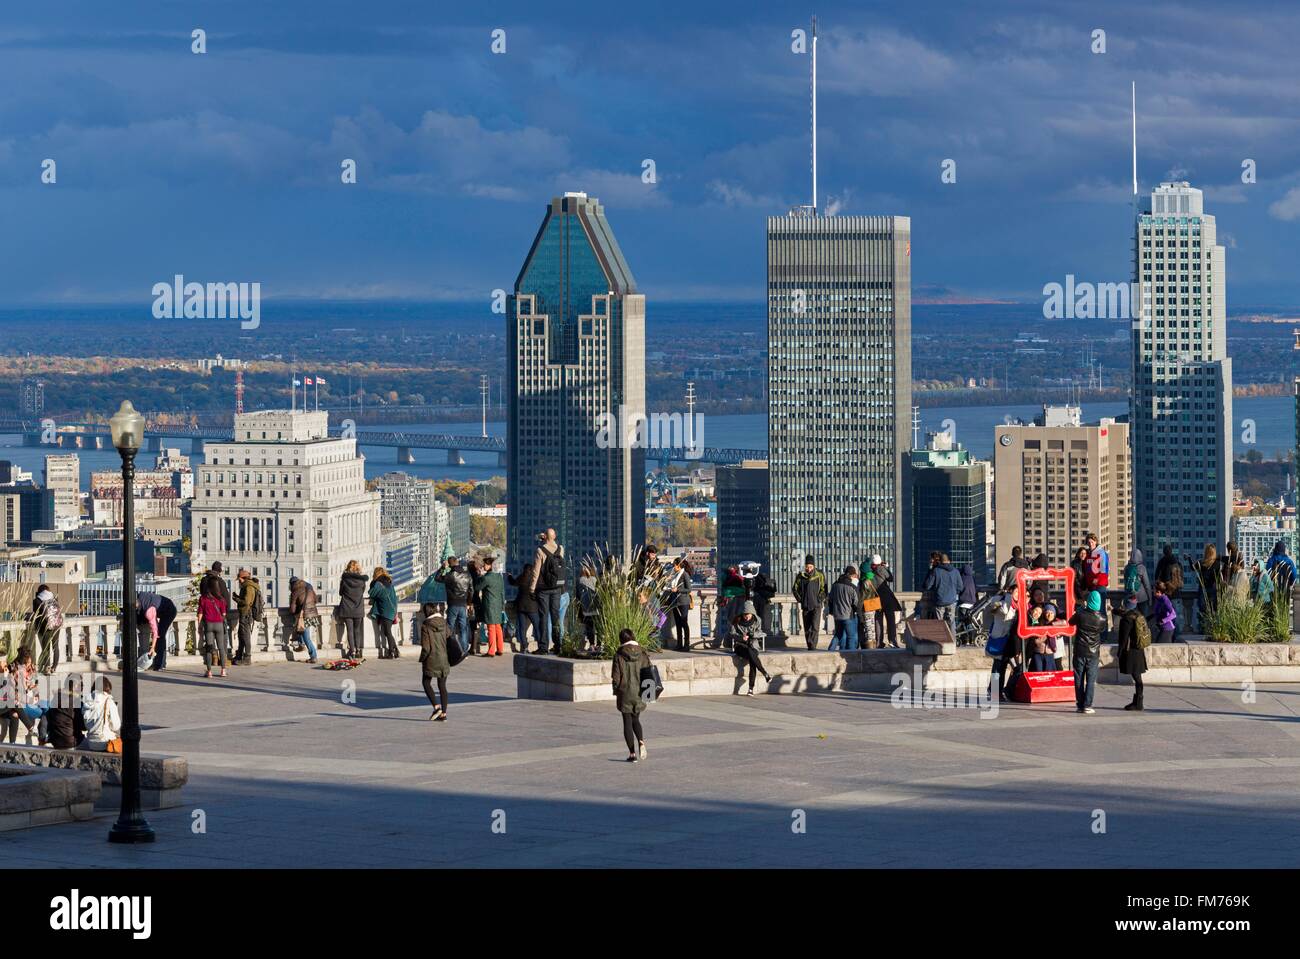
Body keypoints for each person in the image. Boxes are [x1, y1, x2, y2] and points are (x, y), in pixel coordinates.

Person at [611, 627, 650, 763]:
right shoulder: (643, 653)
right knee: (636, 719)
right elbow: (648, 673)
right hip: (639, 691)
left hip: (625, 691)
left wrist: (616, 690)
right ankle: (641, 741)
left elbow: (616, 677)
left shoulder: (619, 655)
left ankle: (632, 754)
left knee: (627, 722)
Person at [1068, 590, 1106, 714]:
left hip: (1079, 650)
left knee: (1078, 678)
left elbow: (1070, 622)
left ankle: (1080, 704)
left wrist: (1081, 609)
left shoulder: (1080, 614)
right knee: (1090, 679)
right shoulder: (1102, 619)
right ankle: (1087, 705)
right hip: (1093, 653)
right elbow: (1101, 630)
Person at [530, 528, 567, 655]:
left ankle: (543, 647)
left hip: (543, 588)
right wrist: (547, 538)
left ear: (545, 536)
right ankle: (558, 645)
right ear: (555, 536)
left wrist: (532, 588)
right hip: (557, 588)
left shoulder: (540, 550)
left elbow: (536, 570)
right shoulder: (560, 549)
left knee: (543, 617)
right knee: (555, 617)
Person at [1112, 599, 1151, 711]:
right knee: (1137, 676)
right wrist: (1113, 610)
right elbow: (1122, 612)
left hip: (1130, 651)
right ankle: (1138, 701)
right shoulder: (1138, 615)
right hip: (1139, 650)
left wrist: (1120, 652)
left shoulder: (1126, 619)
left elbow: (1123, 637)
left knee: (1137, 677)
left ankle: (1138, 703)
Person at [418, 602, 452, 721]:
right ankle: (444, 714)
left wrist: (422, 658)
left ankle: (436, 707)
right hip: (444, 658)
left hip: (431, 659)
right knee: (442, 686)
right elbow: (449, 635)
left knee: (426, 683)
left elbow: (426, 648)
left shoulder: (425, 626)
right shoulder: (444, 623)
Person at [730, 601, 771, 695]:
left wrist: (752, 634)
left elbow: (762, 633)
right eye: (745, 615)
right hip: (740, 646)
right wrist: (741, 637)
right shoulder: (737, 621)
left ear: (752, 613)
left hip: (753, 645)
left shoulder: (757, 621)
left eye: (748, 614)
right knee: (751, 656)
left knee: (752, 661)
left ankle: (750, 689)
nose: (747, 617)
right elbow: (732, 634)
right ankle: (764, 673)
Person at [436, 555, 474, 654]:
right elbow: (471, 590)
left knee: (450, 628)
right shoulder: (467, 575)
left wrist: (442, 568)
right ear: (457, 562)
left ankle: (450, 648)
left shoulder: (449, 575)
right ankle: (464, 649)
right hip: (463, 604)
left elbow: (437, 578)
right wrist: (469, 602)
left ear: (449, 564)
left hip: (453, 604)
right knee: (463, 628)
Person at [987, 592, 1018, 702]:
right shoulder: (998, 599)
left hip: (1011, 641)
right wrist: (1009, 598)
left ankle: (999, 690)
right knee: (998, 667)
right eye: (1016, 591)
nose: (1018, 594)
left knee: (1009, 667)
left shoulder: (1019, 604)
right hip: (1000, 638)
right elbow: (1004, 611)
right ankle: (995, 691)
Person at [473, 553, 506, 658]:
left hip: (489, 605)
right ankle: (500, 649)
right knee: (498, 627)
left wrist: (480, 575)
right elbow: (502, 592)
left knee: (491, 627)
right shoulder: (499, 577)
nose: (483, 566)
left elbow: (477, 587)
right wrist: (502, 606)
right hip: (498, 604)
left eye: (485, 565)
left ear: (490, 566)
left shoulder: (487, 578)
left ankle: (491, 651)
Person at [335, 561, 369, 659]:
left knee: (350, 630)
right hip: (358, 608)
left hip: (347, 608)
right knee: (356, 630)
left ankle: (352, 651)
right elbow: (362, 592)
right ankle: (358, 649)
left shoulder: (344, 580)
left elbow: (341, 593)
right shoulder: (362, 581)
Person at [793, 556, 827, 650]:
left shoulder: (819, 575)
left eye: (810, 566)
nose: (808, 568)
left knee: (815, 627)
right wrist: (800, 599)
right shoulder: (800, 576)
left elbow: (824, 589)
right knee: (807, 627)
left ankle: (813, 646)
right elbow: (795, 589)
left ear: (814, 566)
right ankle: (809, 644)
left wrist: (819, 599)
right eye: (807, 566)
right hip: (805, 605)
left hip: (816, 605)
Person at [137, 591, 177, 671]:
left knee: (160, 635)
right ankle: (160, 663)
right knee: (160, 634)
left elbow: (156, 632)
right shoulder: (140, 597)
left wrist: (152, 647)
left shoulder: (149, 611)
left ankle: (160, 665)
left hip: (169, 611)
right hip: (163, 606)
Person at [924, 554, 963, 635]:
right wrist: (954, 593)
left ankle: (941, 641)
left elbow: (927, 586)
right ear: (949, 561)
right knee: (952, 622)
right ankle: (952, 642)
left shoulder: (936, 571)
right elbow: (960, 587)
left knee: (939, 623)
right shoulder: (955, 571)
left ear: (940, 562)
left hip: (939, 600)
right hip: (951, 601)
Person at [869, 555, 902, 649]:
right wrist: (886, 568)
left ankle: (879, 642)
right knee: (890, 620)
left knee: (878, 621)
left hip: (875, 598)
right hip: (886, 598)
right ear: (879, 562)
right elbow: (890, 578)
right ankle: (892, 640)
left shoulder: (870, 572)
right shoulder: (881, 569)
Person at [198, 580, 230, 678]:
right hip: (219, 624)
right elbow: (224, 614)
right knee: (221, 647)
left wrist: (199, 626)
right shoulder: (221, 599)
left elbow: (200, 613)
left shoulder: (203, 598)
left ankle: (209, 672)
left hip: (208, 625)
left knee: (209, 648)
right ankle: (223, 671)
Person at [509, 563, 543, 654]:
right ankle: (541, 645)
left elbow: (513, 582)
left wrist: (509, 576)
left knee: (522, 628)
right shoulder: (534, 579)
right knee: (537, 626)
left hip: (521, 607)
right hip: (532, 607)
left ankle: (524, 647)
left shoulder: (521, 577)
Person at [81, 677, 121, 751]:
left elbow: (86, 725)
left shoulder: (87, 702)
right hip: (105, 742)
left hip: (91, 743)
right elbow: (116, 726)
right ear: (108, 688)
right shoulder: (109, 701)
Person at [44, 674, 83, 750]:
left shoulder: (56, 697)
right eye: (81, 685)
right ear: (75, 686)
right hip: (70, 741)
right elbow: (81, 725)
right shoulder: (75, 701)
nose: (82, 688)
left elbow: (47, 716)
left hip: (55, 740)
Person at [367, 567, 399, 659]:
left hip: (385, 609)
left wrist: (372, 584)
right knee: (387, 631)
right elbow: (394, 597)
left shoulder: (378, 583)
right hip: (392, 609)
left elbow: (372, 593)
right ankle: (395, 650)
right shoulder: (389, 583)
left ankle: (391, 652)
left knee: (387, 632)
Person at [30, 584, 62, 674]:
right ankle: (54, 667)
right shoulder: (54, 598)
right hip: (56, 626)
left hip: (46, 627)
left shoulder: (37, 600)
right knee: (55, 647)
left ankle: (47, 668)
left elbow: (36, 614)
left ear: (39, 591)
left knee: (46, 648)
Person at [827, 566, 860, 652]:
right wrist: (855, 611)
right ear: (852, 575)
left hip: (837, 615)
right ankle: (850, 655)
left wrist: (832, 611)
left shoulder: (835, 585)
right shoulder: (852, 587)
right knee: (851, 637)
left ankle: (830, 651)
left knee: (838, 635)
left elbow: (830, 600)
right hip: (848, 615)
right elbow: (856, 602)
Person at [665, 558, 693, 651]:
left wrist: (678, 590)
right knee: (678, 624)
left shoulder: (685, 574)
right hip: (675, 602)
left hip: (683, 602)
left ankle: (687, 644)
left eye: (674, 565)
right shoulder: (675, 575)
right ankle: (679, 644)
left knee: (684, 623)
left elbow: (688, 589)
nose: (673, 567)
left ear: (678, 565)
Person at [234, 568, 260, 664]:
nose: (239, 582)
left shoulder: (249, 587)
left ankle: (247, 658)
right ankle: (239, 655)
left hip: (246, 614)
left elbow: (246, 602)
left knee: (245, 636)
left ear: (243, 578)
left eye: (239, 579)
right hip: (244, 614)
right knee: (241, 636)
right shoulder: (246, 586)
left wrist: (236, 599)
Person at [1190, 544, 1219, 630]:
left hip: (1203, 589)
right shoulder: (1217, 563)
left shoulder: (1201, 562)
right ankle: (1212, 628)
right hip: (1213, 589)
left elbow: (1192, 568)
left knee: (1203, 609)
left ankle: (1204, 627)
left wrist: (1189, 558)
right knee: (1213, 610)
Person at [577, 563, 600, 652]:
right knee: (598, 627)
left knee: (589, 627)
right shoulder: (596, 580)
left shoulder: (580, 580)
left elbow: (578, 596)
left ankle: (592, 644)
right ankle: (599, 645)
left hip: (586, 609)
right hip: (597, 608)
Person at [1122, 548, 1152, 615]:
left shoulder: (1126, 568)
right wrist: (1150, 599)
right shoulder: (1142, 568)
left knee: (1130, 618)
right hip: (1142, 598)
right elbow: (1147, 585)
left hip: (1130, 597)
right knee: (1143, 618)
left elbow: (1125, 582)